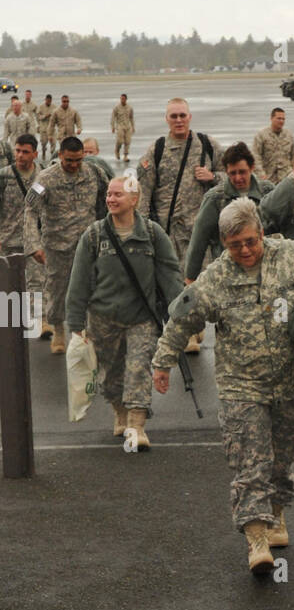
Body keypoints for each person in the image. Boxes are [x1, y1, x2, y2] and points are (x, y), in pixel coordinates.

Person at [152, 197, 294, 573]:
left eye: (251, 241)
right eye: (235, 246)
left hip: (291, 383)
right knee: (250, 461)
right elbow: (182, 318)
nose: (246, 251)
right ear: (224, 245)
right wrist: (163, 362)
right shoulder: (216, 278)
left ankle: (277, 514)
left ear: (261, 233)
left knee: (283, 460)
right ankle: (256, 540)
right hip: (241, 385)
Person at [66, 176, 183, 449]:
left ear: (134, 199)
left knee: (139, 369)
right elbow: (79, 281)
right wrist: (75, 322)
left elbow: (170, 276)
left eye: (118, 194)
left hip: (141, 318)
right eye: (109, 194)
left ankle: (137, 426)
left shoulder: (152, 235)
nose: (111, 199)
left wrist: (182, 313)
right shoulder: (94, 235)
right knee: (110, 376)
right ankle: (119, 411)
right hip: (103, 318)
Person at [22, 136, 108, 354]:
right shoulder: (45, 179)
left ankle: (85, 333)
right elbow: (30, 211)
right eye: (69, 160)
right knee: (57, 291)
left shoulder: (94, 173)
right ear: (60, 155)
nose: (74, 165)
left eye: (78, 160)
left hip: (89, 244)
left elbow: (107, 201)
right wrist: (33, 245)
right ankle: (59, 328)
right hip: (57, 246)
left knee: (92, 289)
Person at [136, 98, 225, 278]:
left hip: (200, 236)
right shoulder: (157, 150)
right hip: (167, 235)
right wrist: (144, 231)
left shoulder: (207, 145)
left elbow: (233, 179)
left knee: (201, 287)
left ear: (189, 117)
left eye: (182, 115)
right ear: (166, 119)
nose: (179, 120)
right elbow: (143, 192)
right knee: (171, 289)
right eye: (174, 116)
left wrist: (213, 177)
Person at [184, 142, 274, 283]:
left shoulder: (268, 192)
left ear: (251, 168)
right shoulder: (215, 199)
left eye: (242, 172)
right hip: (230, 274)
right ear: (226, 172)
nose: (238, 178)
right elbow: (198, 241)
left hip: (266, 271)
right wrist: (190, 279)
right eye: (232, 173)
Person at [0, 134, 49, 337]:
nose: (20, 155)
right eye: (17, 151)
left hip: (36, 239)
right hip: (8, 239)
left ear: (35, 154)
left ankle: (40, 324)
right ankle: (9, 328)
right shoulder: (4, 176)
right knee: (8, 285)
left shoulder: (44, 176)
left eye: (25, 152)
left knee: (37, 282)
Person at [252, 108, 294, 185]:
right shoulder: (262, 135)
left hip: (286, 178)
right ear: (271, 118)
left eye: (283, 119)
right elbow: (256, 156)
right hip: (269, 178)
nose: (281, 121)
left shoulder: (289, 135)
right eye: (279, 118)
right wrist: (261, 174)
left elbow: (293, 156)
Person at [111, 94, 135, 163]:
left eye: (123, 99)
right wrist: (112, 126)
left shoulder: (129, 107)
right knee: (120, 141)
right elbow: (113, 117)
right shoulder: (117, 107)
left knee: (127, 142)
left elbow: (131, 118)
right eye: (121, 99)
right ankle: (117, 150)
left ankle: (125, 156)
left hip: (128, 126)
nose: (122, 100)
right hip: (120, 126)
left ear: (126, 99)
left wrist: (133, 127)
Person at [35, 94, 54, 162]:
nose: (49, 102)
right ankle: (43, 153)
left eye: (50, 101)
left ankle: (52, 157)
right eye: (47, 100)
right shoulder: (41, 107)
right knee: (43, 143)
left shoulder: (54, 107)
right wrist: (45, 116)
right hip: (43, 128)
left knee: (53, 143)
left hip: (52, 129)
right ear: (45, 100)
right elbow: (38, 117)